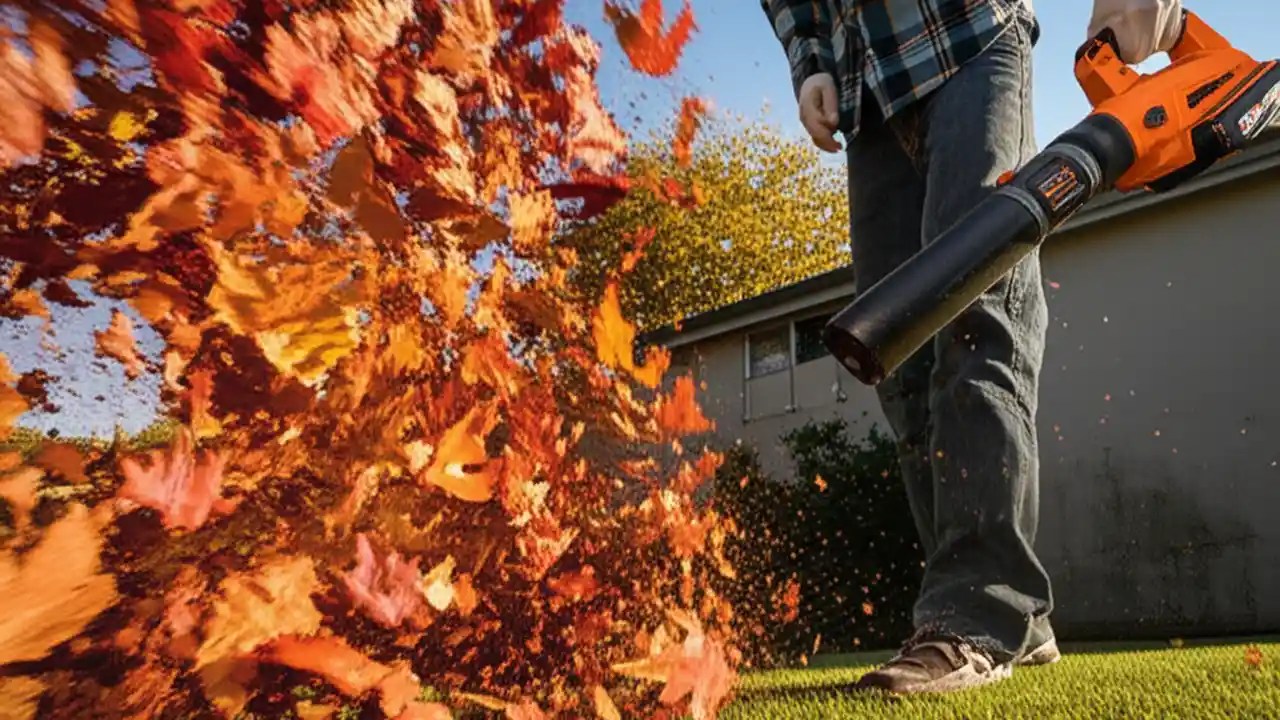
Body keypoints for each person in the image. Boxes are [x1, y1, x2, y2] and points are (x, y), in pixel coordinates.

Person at [759, 0, 1187, 695]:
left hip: (970, 41)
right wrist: (809, 59)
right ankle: (1010, 610)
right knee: (893, 353)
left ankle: (977, 615)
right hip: (866, 88)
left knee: (978, 310)